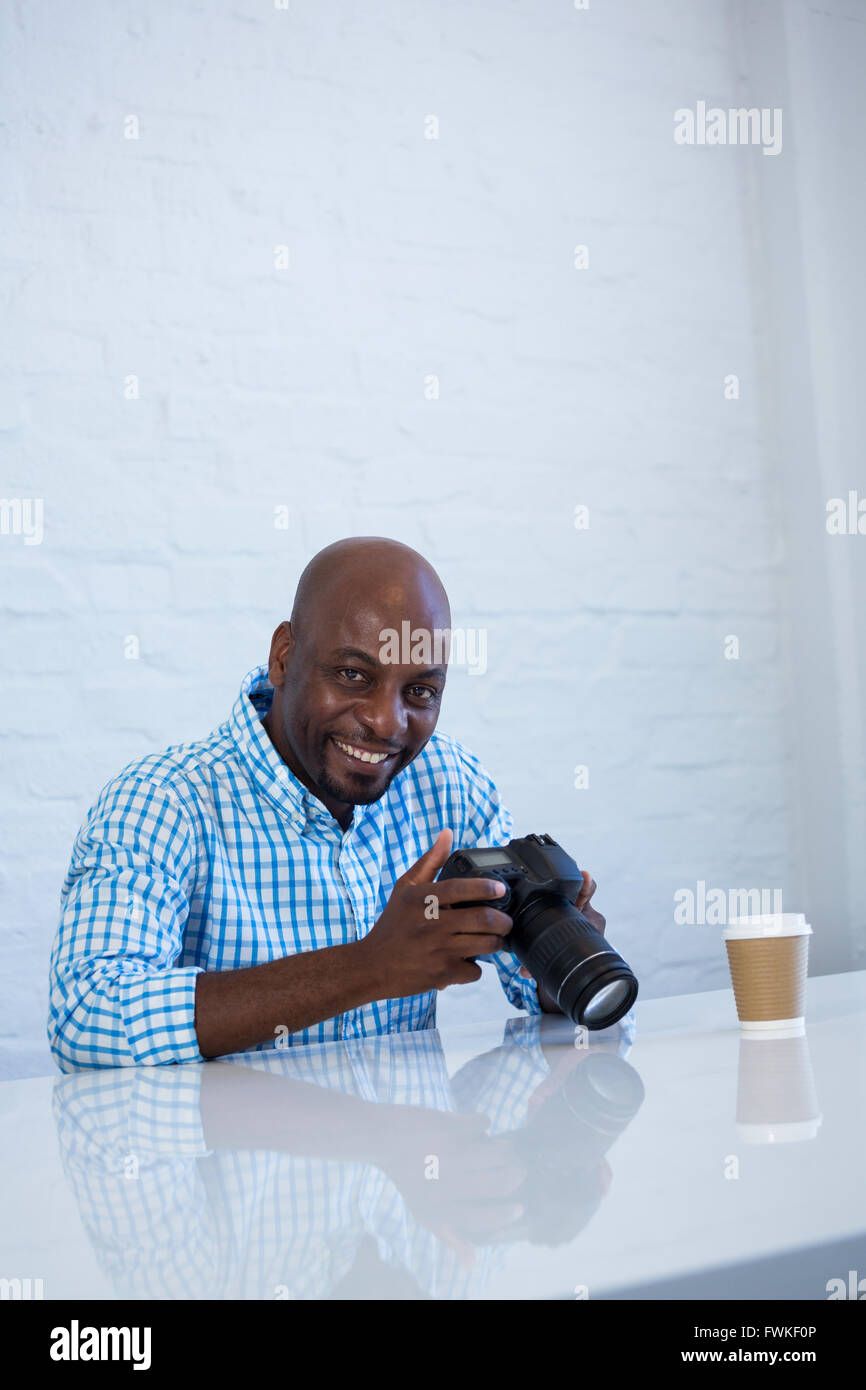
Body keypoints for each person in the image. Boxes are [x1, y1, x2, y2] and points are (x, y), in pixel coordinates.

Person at [48, 537, 604, 1069]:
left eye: (420, 692)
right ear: (284, 657)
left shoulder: (449, 781)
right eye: (353, 675)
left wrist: (562, 954)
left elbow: (537, 997)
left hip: (414, 1164)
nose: (387, 723)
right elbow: (88, 1019)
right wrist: (370, 967)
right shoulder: (164, 802)